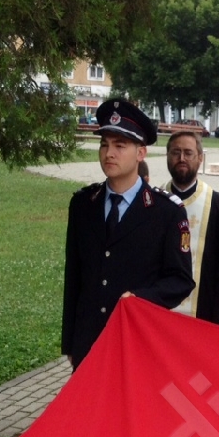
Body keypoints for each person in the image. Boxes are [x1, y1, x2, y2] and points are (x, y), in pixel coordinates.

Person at [61, 99, 193, 369]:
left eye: (120, 146)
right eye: (104, 144)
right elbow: (74, 277)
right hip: (90, 341)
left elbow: (180, 280)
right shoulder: (84, 205)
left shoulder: (166, 212)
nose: (109, 153)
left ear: (141, 153)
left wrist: (140, 298)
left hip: (138, 344)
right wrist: (71, 343)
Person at [163, 130, 219, 328]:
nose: (181, 158)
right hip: (159, 314)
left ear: (200, 158)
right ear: (167, 157)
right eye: (175, 152)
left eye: (188, 153)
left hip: (205, 315)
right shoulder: (152, 202)